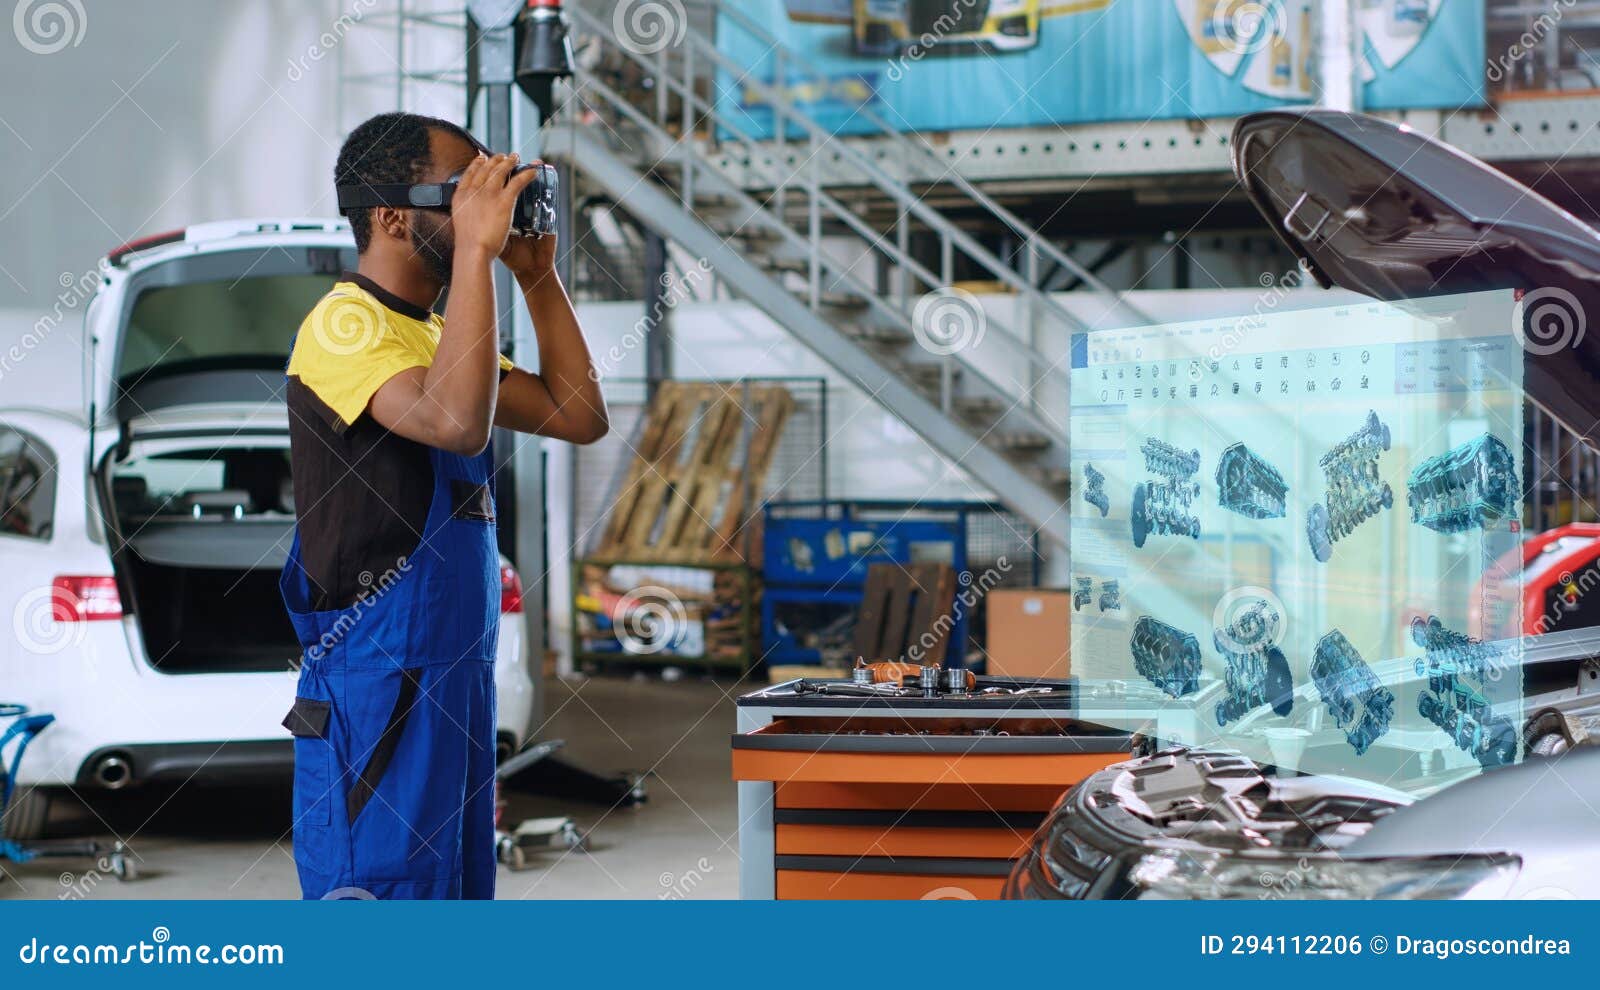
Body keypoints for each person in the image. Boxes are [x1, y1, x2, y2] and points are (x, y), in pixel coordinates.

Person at [277, 112, 607, 900]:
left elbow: (578, 414)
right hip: (380, 682)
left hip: (456, 676)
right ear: (391, 214)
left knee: (454, 899)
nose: (480, 209)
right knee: (387, 906)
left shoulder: (435, 333)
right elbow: (457, 424)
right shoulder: (343, 326)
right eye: (462, 194)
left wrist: (534, 276)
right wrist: (478, 254)